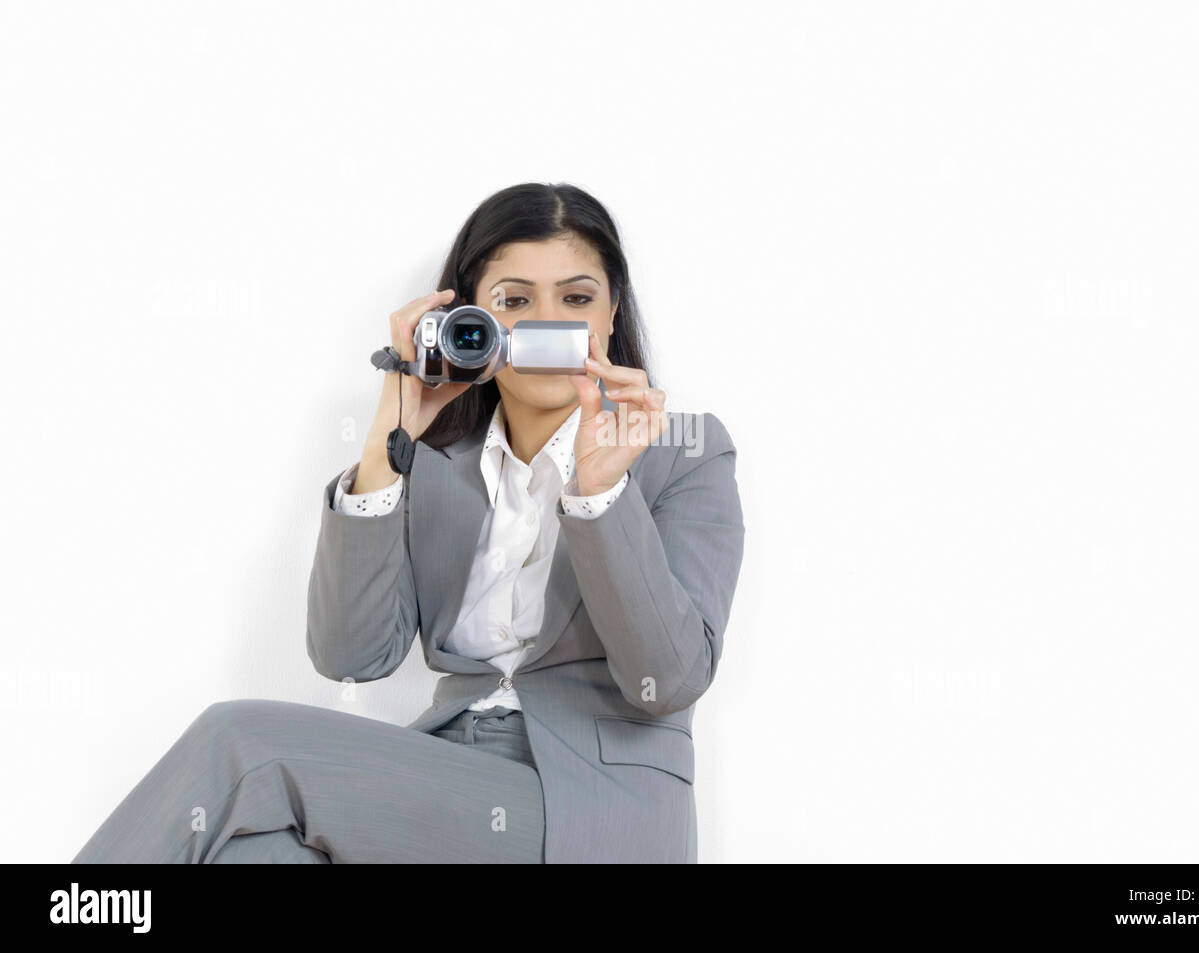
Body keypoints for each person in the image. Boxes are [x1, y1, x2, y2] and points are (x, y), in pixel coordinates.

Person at [71, 182, 745, 864]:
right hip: (436, 784)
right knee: (262, 853)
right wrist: (383, 447)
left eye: (574, 299)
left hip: (590, 807)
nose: (545, 325)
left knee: (238, 743)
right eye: (514, 301)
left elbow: (671, 675)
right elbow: (351, 655)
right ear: (469, 320)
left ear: (610, 314)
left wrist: (601, 494)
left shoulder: (682, 453)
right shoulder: (435, 468)